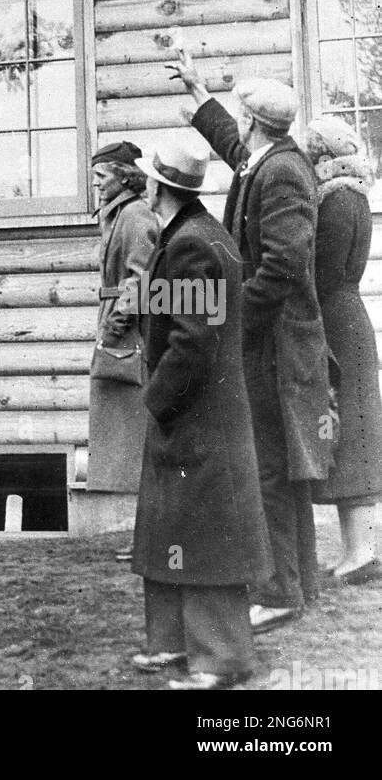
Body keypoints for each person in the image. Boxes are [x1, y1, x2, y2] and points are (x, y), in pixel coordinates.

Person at [168, 51, 335, 633]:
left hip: (276, 348)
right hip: (274, 345)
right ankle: (296, 585)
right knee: (278, 468)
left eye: (239, 116)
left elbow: (284, 266)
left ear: (256, 122)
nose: (236, 126)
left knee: (267, 468)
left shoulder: (283, 171)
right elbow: (237, 155)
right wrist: (199, 92)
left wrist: (232, 320)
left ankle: (280, 591)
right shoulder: (267, 159)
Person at [130, 136, 271, 690]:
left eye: (146, 178)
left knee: (207, 534)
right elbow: (175, 318)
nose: (142, 183)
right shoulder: (192, 236)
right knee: (172, 525)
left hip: (198, 416)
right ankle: (172, 644)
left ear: (157, 187)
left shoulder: (194, 245)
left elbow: (192, 343)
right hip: (194, 413)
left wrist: (156, 400)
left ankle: (219, 660)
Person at [304, 116, 382, 582]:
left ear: (322, 158)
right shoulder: (357, 197)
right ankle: (361, 550)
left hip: (335, 323)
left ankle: (360, 554)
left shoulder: (334, 203)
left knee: (349, 437)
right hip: (351, 320)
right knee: (356, 434)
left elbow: (322, 274)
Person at [87, 142, 158, 513]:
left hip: (130, 335)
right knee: (124, 436)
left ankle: (145, 534)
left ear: (123, 176)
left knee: (134, 436)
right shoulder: (118, 214)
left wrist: (114, 327)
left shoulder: (135, 215)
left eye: (102, 177)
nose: (96, 185)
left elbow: (140, 280)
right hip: (118, 329)